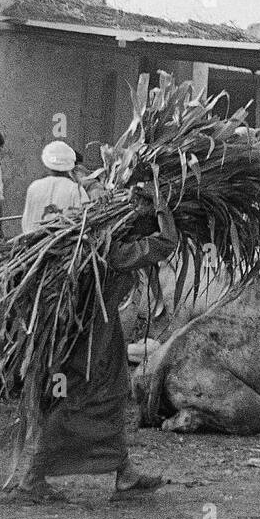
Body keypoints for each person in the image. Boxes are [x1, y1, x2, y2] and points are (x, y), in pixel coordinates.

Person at [15, 190, 178, 501]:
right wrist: (163, 210)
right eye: (143, 211)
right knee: (70, 397)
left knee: (114, 391)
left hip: (102, 329)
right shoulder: (112, 248)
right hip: (85, 336)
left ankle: (124, 472)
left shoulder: (98, 235)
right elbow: (166, 243)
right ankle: (33, 475)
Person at [21, 141, 90, 233]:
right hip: (65, 244)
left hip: (34, 243)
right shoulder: (76, 190)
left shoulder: (34, 187)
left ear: (46, 163)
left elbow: (26, 222)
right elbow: (84, 222)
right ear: (71, 166)